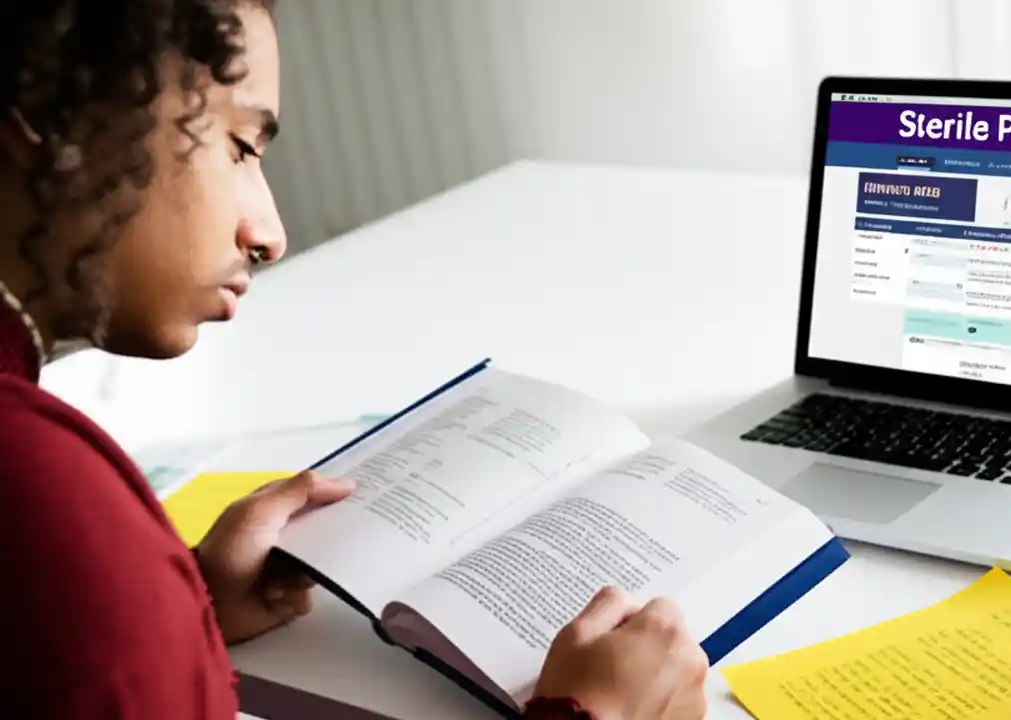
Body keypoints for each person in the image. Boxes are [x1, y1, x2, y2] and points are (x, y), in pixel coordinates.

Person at [0, 1, 709, 718]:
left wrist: (182, 608)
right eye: (241, 147)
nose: (269, 234)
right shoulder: (42, 491)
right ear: (50, 118)